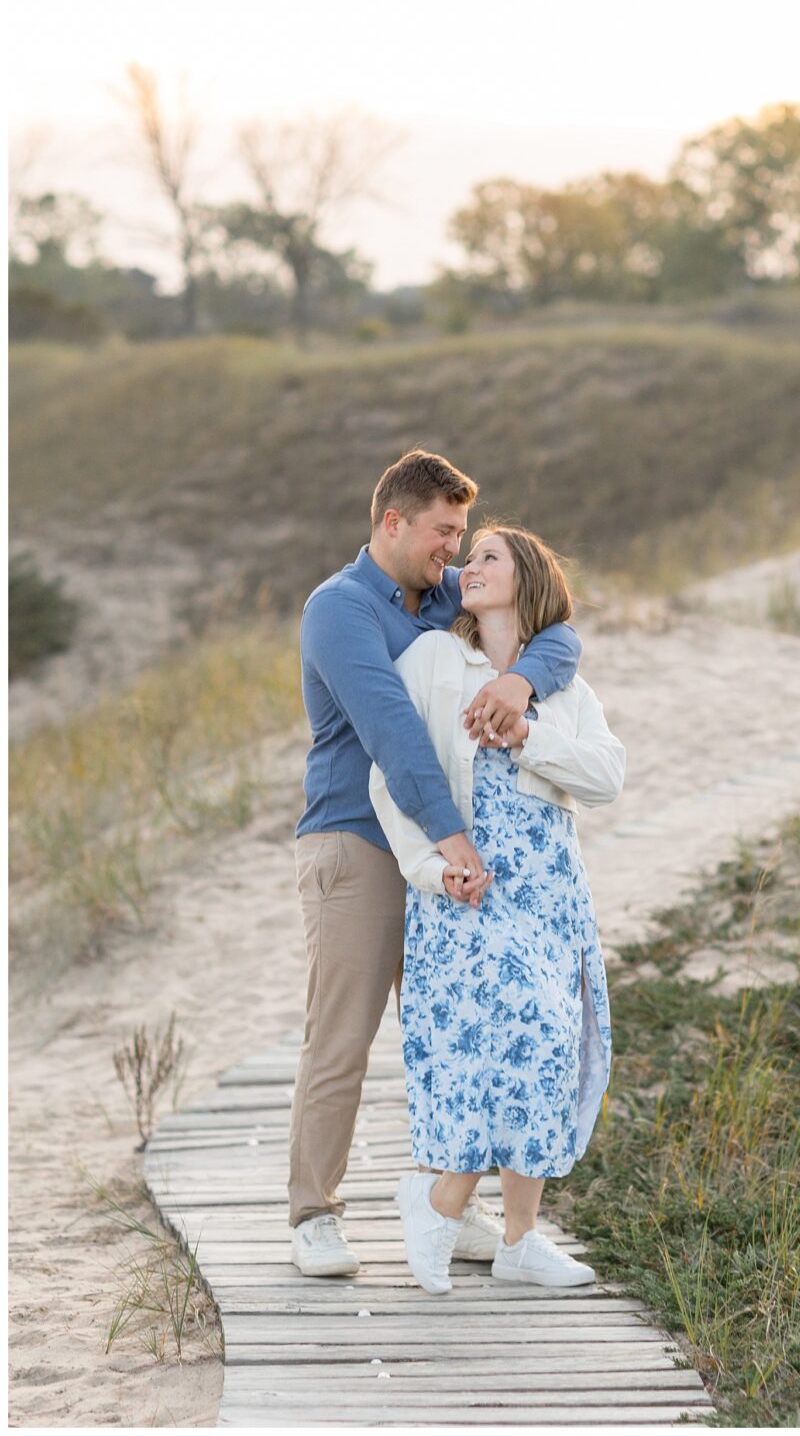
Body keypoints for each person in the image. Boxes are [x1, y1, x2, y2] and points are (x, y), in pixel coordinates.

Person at [290, 450, 582, 1278]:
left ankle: (451, 1205)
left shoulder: (448, 593)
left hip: (447, 852)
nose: (453, 551)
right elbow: (394, 733)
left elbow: (559, 631)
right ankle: (313, 1213)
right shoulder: (339, 610)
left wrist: (522, 681)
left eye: (461, 535)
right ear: (394, 523)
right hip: (358, 843)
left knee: (456, 1033)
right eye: (442, 533)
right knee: (343, 1038)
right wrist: (454, 839)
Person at [369, 524, 623, 1294]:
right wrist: (428, 868)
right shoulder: (433, 660)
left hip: (550, 889)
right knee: (483, 1050)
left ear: (528, 579)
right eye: (466, 555)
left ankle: (518, 1241)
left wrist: (528, 736)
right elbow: (393, 778)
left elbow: (607, 777)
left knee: (548, 1046)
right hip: (465, 887)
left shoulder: (562, 688)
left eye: (488, 558)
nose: (468, 568)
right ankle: (439, 1198)